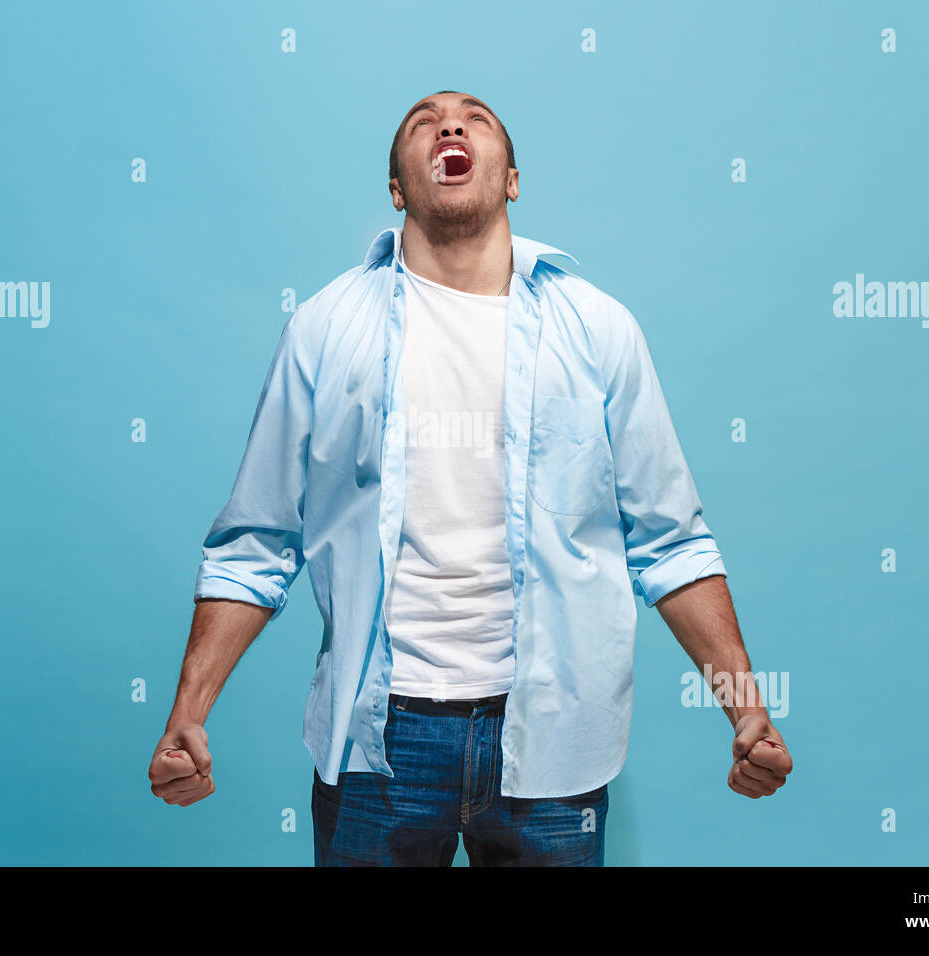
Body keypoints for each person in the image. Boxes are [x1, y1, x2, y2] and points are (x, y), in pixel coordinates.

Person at [148, 90, 793, 866]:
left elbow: (671, 543)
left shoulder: (598, 329)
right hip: (376, 743)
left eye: (474, 118)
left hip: (553, 742)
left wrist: (744, 708)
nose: (450, 125)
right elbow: (257, 542)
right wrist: (189, 710)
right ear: (398, 190)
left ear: (512, 178)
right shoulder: (324, 328)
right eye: (424, 122)